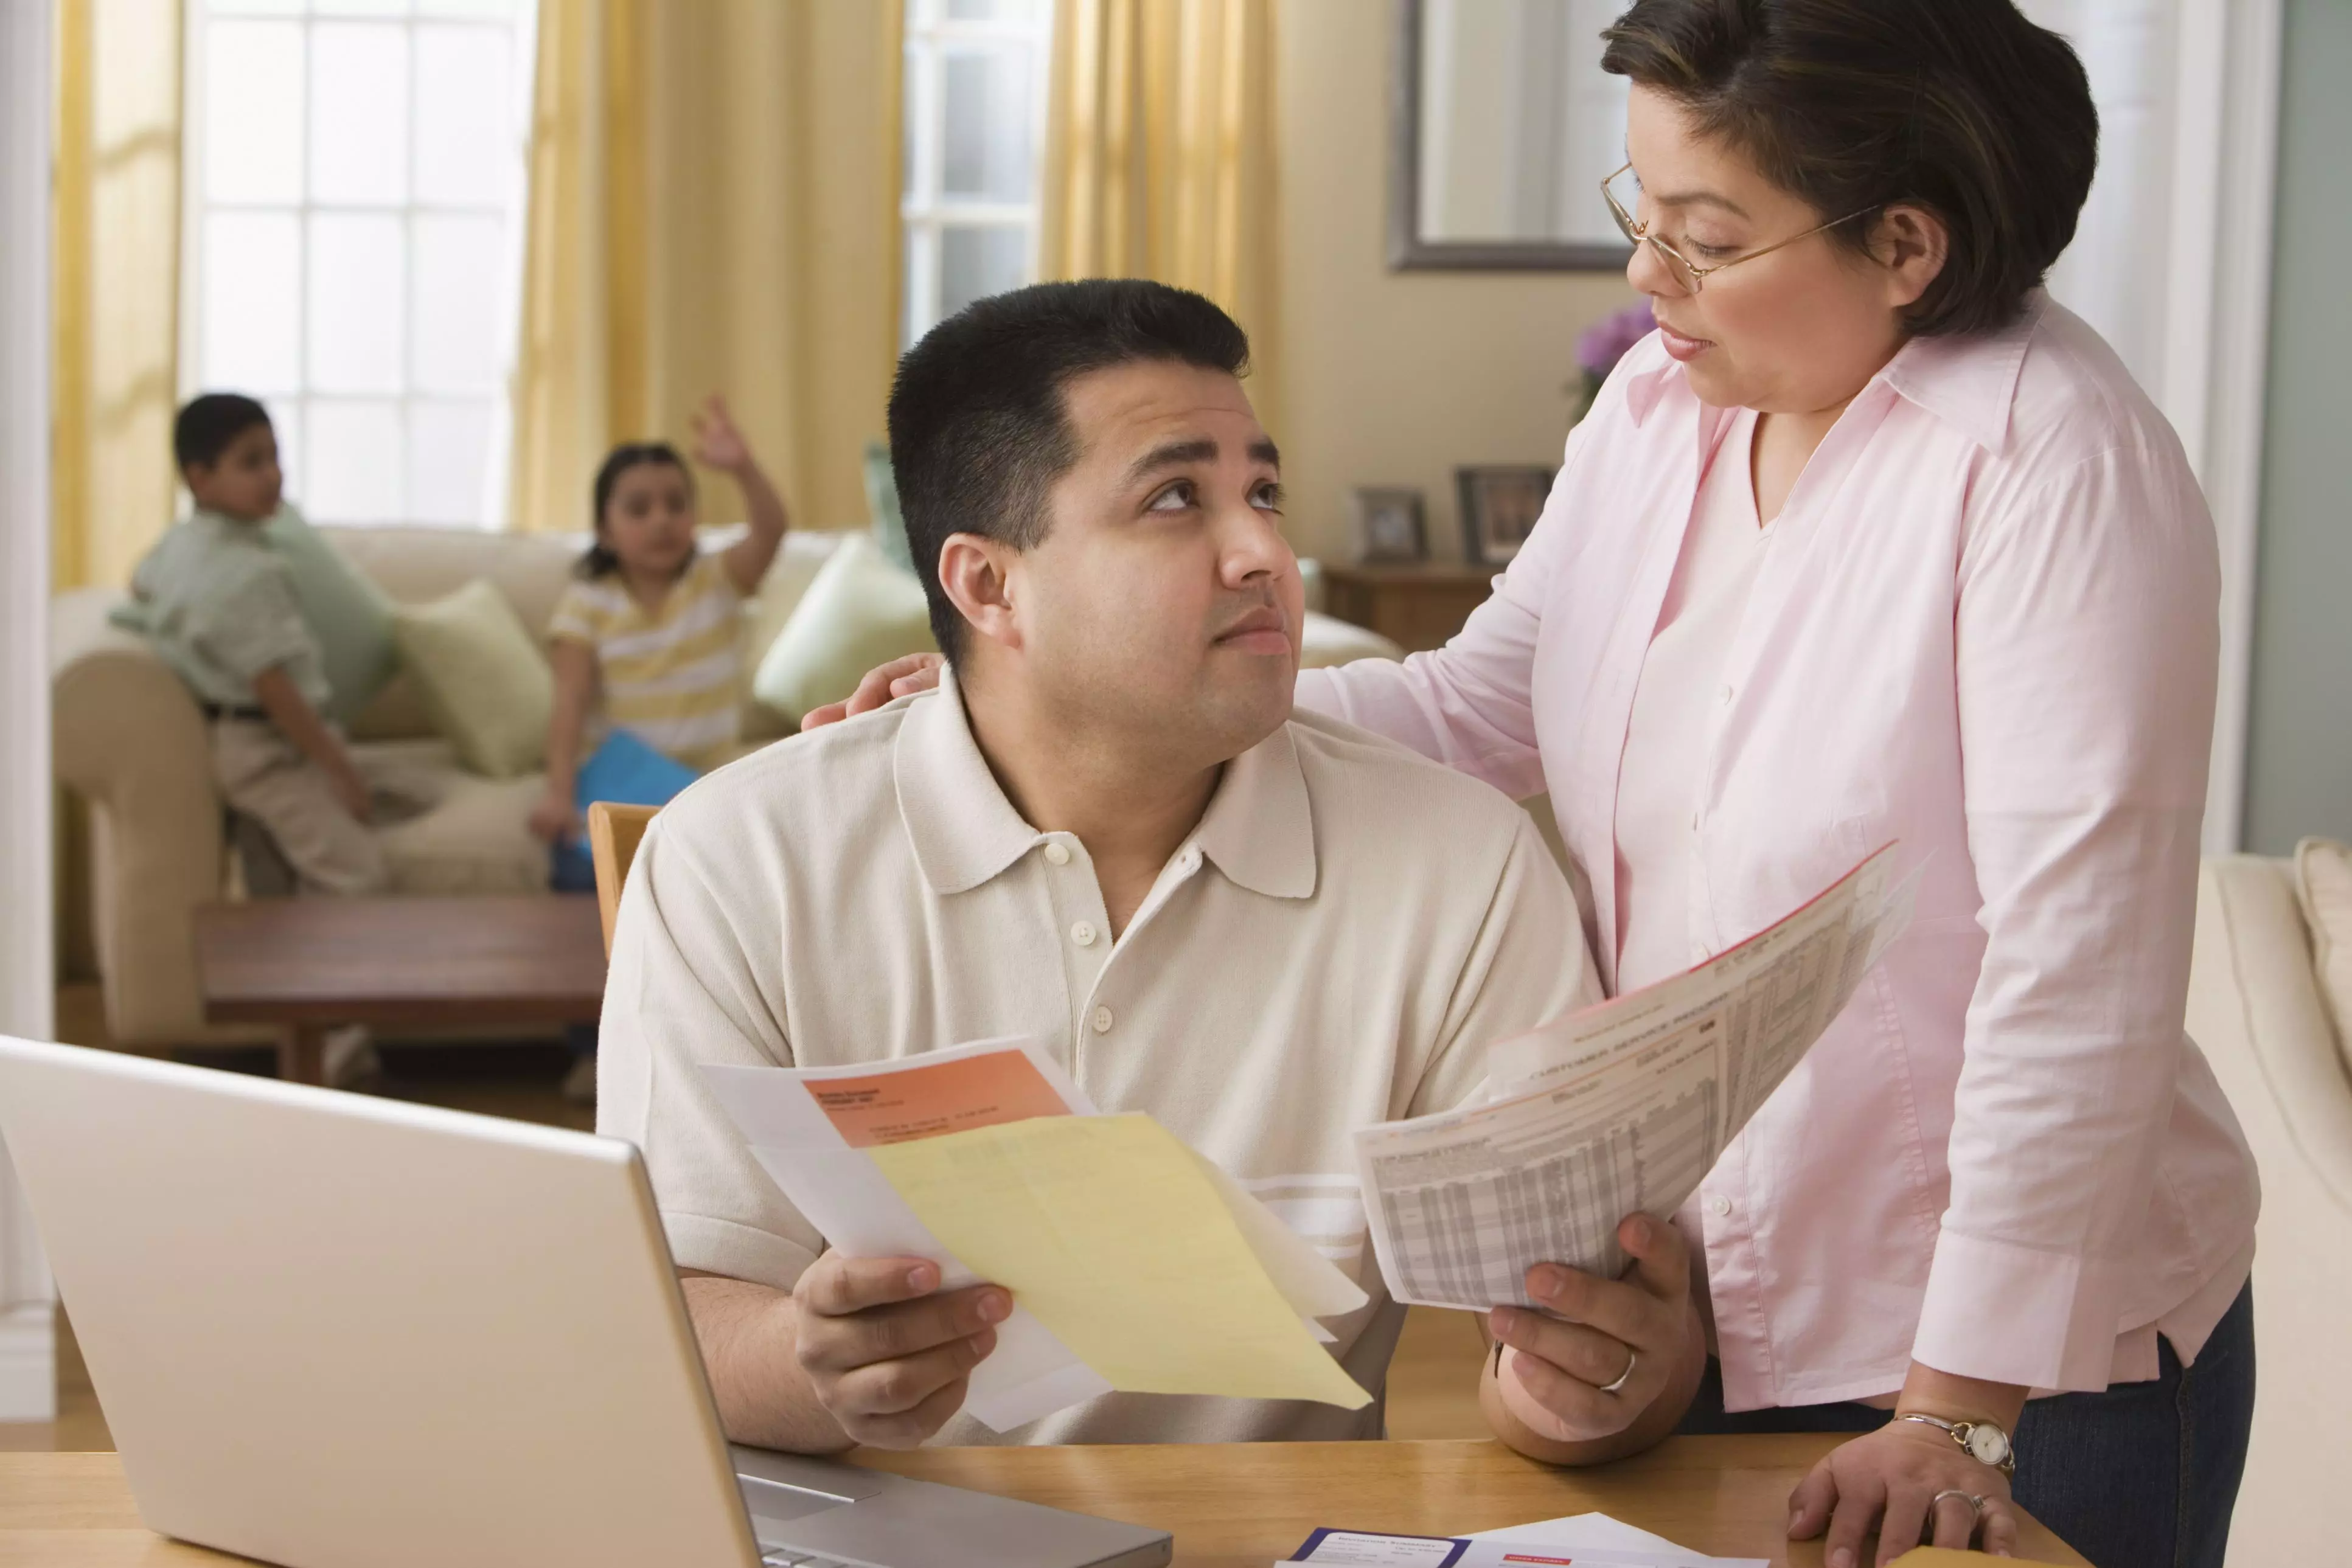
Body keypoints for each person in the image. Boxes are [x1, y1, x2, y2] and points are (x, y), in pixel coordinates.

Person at [811, 4, 2262, 1564]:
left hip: (2009, 1372)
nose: (1647, 277)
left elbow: (2082, 979)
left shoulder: (2055, 465)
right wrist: (1079, 699)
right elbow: (1470, 704)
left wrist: (1960, 1410)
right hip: (1709, 1308)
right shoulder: (1659, 412)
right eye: (1638, 211)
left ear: (1905, 246)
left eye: (1703, 236)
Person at [594, 279, 1606, 1452]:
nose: (1267, 553)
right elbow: (677, 1324)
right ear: (986, 585)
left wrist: (1602, 1377)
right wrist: (816, 1363)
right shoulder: (739, 856)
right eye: (1178, 497)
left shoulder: (1461, 865)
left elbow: (1537, 1357)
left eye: (1264, 492)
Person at [129, 394, 433, 1087]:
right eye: (251, 463)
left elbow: (139, 583)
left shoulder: (186, 547)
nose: (273, 477)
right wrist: (337, 769)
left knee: (280, 881)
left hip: (250, 745)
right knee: (356, 873)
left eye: (274, 458)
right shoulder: (240, 573)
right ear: (199, 478)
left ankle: (297, 1045)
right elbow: (275, 688)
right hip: (271, 747)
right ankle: (340, 1052)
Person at [530, 396, 789, 1101]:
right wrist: (557, 791)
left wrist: (742, 468)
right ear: (604, 528)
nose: (661, 520)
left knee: (707, 926)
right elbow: (569, 704)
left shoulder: (716, 580)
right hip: (614, 793)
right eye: (638, 508)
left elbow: (773, 529)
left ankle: (696, 1054)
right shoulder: (589, 600)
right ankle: (591, 1047)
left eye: (676, 503)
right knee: (589, 917)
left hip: (700, 794)